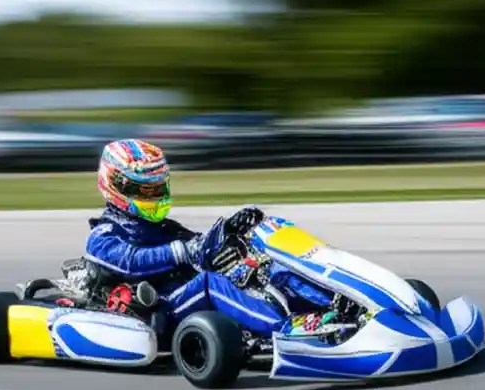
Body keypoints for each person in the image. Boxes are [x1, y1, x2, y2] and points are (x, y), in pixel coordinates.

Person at [84, 138, 336, 336]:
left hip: (182, 297)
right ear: (116, 185)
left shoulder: (163, 228)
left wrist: (230, 232)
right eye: (145, 190)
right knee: (209, 283)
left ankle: (333, 304)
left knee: (263, 264)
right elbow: (132, 261)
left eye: (158, 189)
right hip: (157, 310)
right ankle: (287, 329)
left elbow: (201, 247)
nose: (154, 196)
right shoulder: (103, 235)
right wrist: (185, 250)